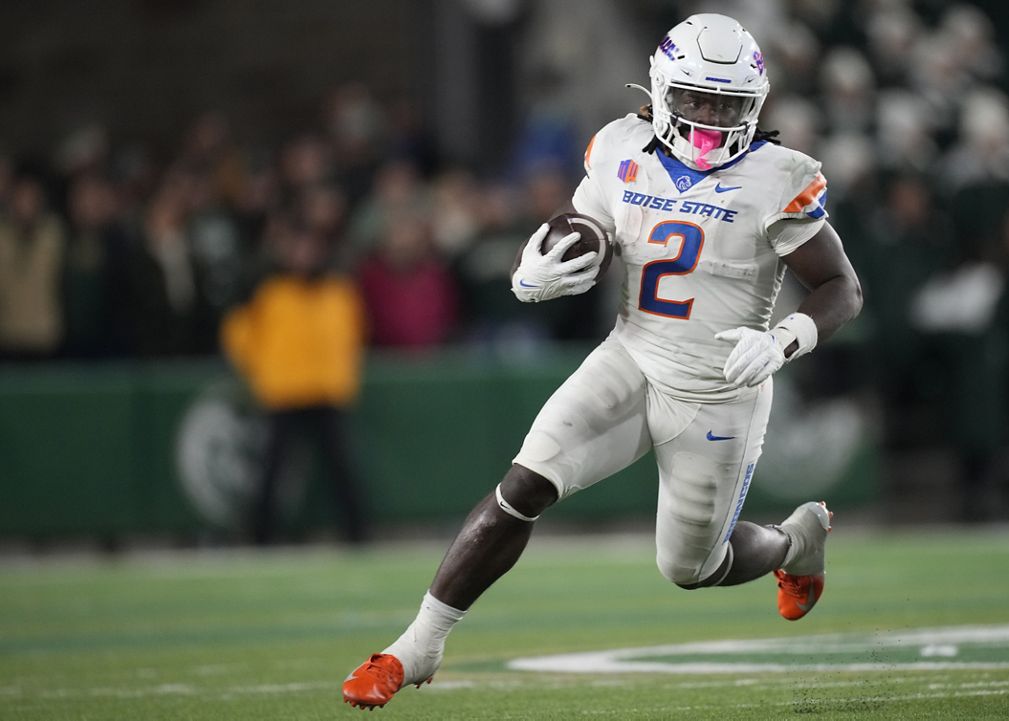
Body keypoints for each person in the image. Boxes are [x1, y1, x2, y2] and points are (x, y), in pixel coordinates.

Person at [342, 13, 863, 709]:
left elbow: (841, 288)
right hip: (630, 355)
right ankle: (418, 644)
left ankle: (796, 540)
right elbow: (593, 224)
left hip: (717, 391)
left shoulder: (778, 177)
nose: (709, 118)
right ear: (662, 89)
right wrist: (547, 260)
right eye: (696, 99)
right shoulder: (621, 146)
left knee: (691, 566)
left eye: (726, 104)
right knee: (524, 483)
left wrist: (784, 337)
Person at [221, 211, 369, 545]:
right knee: (272, 470)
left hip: (325, 391)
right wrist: (261, 371)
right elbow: (240, 334)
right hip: (284, 392)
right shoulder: (271, 291)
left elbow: (353, 335)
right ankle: (261, 536)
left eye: (310, 248)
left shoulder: (337, 291)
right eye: (297, 248)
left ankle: (358, 532)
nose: (304, 256)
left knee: (341, 470)